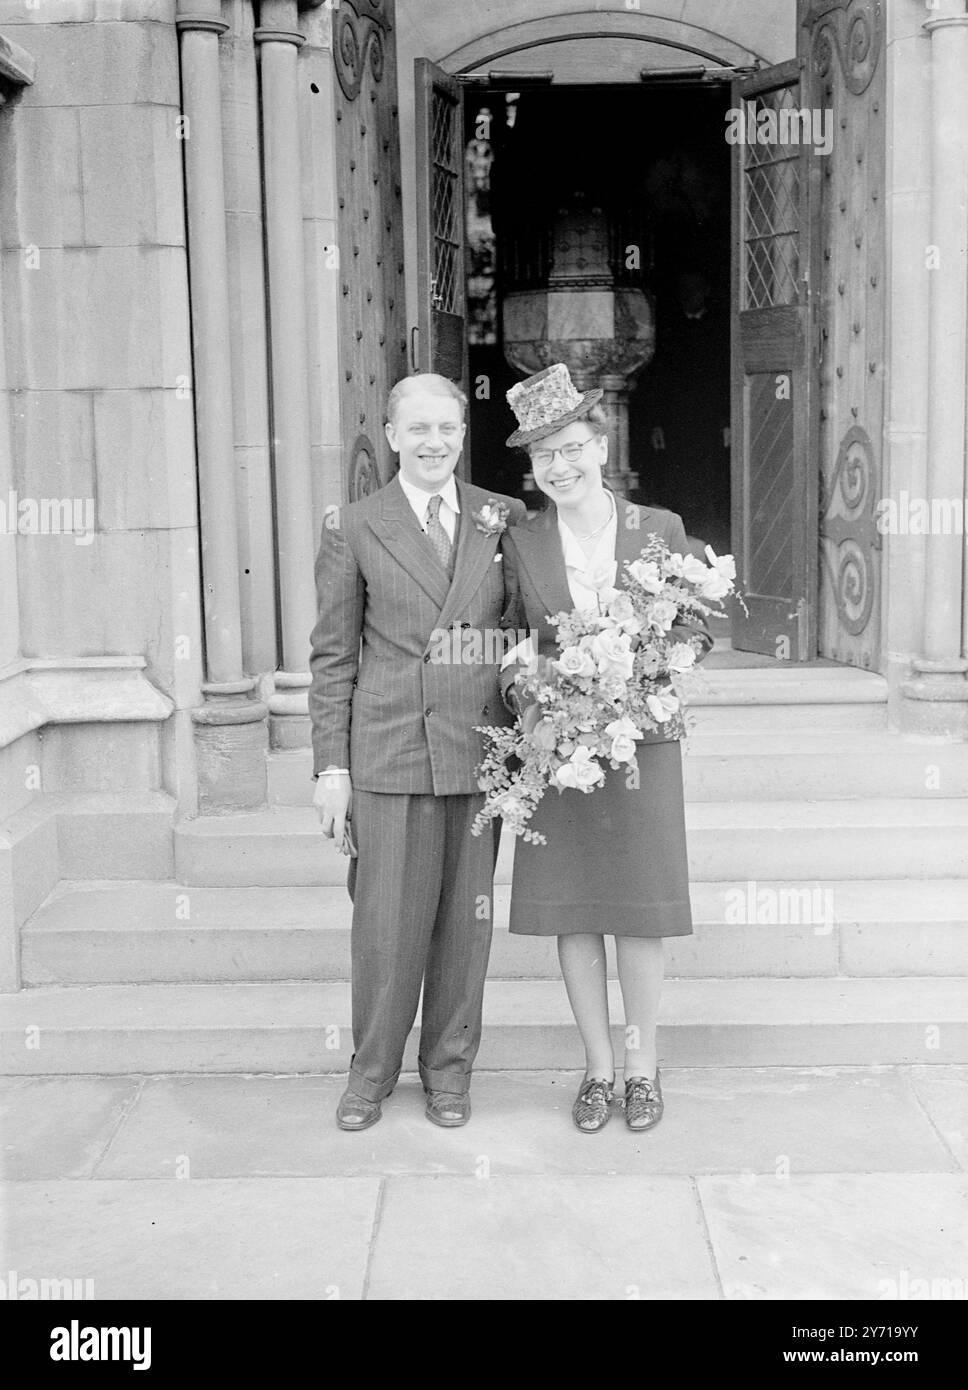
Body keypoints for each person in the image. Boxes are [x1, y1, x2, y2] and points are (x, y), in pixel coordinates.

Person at [308, 373, 526, 1131]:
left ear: (463, 435)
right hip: (390, 754)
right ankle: (371, 1072)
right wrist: (331, 770)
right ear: (394, 436)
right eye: (419, 429)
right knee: (386, 927)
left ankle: (448, 1071)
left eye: (448, 429)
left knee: (465, 928)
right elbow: (333, 657)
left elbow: (526, 637)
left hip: (479, 753)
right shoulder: (355, 525)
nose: (434, 442)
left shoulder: (505, 518)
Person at [499, 363, 712, 1134]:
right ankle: (596, 1067)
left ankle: (643, 1064)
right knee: (576, 910)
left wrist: (644, 670)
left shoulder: (659, 529)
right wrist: (538, 684)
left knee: (641, 910)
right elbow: (505, 637)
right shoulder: (521, 540)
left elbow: (694, 627)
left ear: (601, 442)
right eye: (543, 456)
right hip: (560, 747)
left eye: (572, 448)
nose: (560, 466)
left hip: (642, 743)